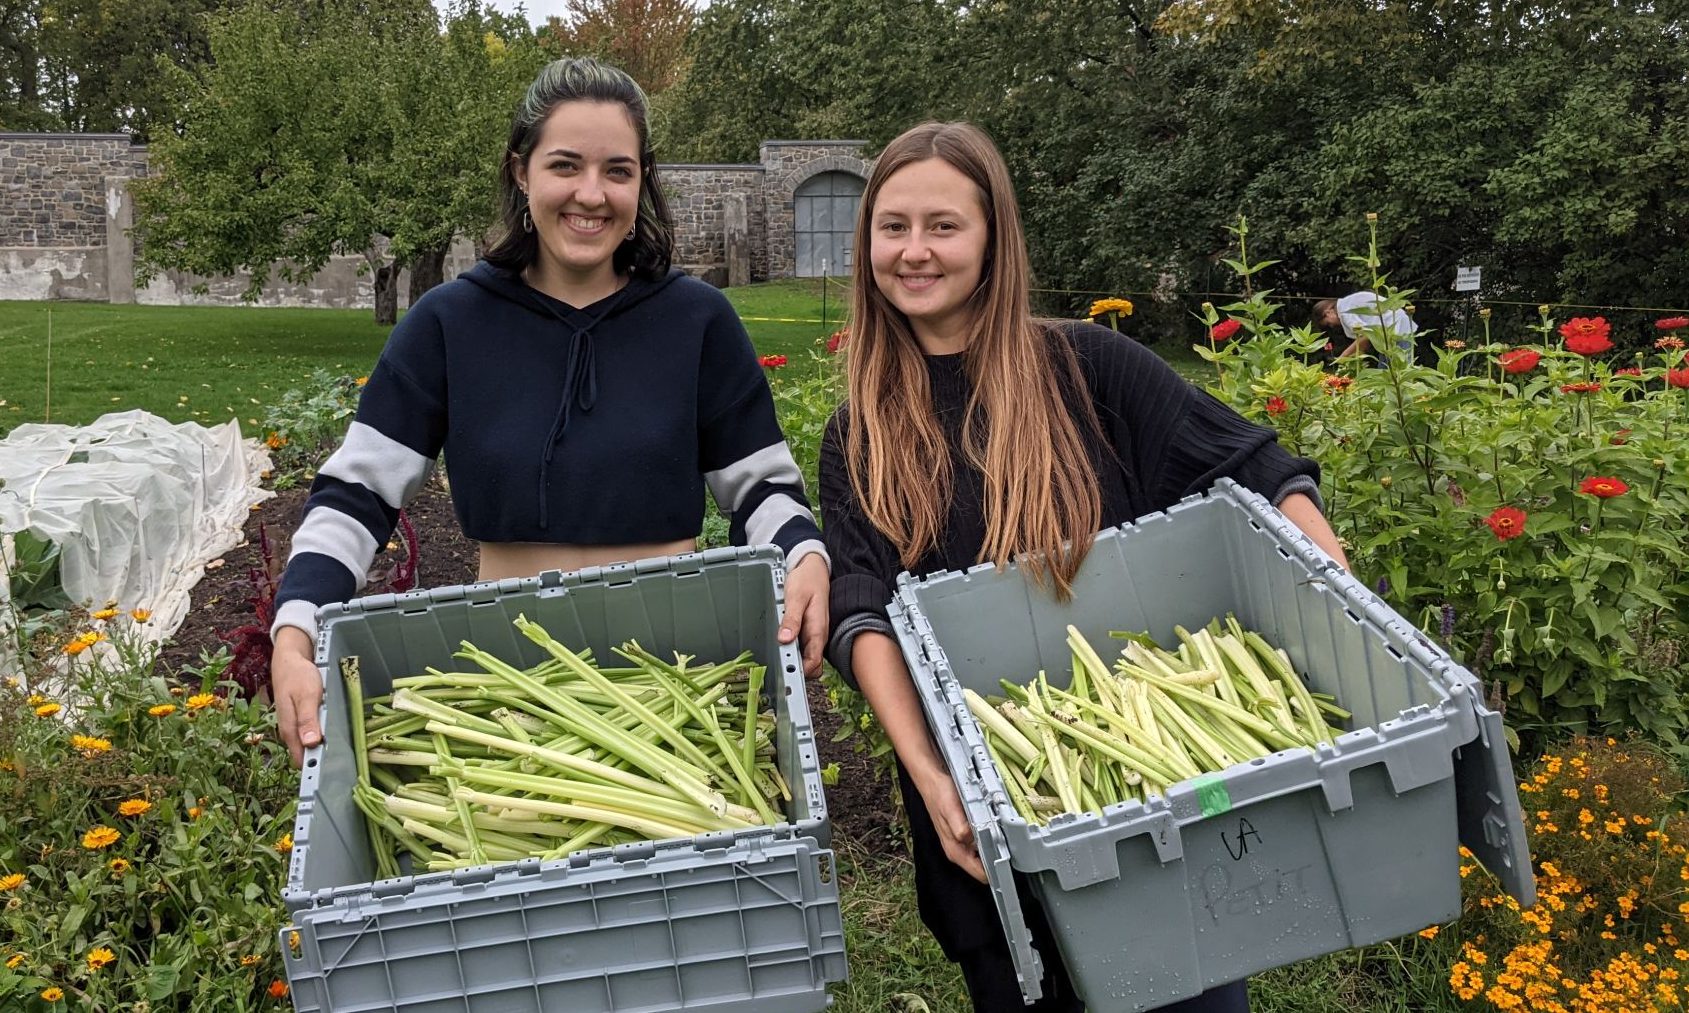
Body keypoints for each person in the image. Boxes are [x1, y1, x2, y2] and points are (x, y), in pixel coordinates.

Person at [819, 121, 1348, 1013]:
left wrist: (1344, 599)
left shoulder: (1087, 368)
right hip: (992, 798)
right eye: (892, 226)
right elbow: (859, 608)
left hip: (1156, 792)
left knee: (1188, 989)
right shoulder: (859, 432)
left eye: (943, 225)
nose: (914, 251)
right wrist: (930, 775)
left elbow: (1254, 467)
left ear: (993, 238)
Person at [268, 57, 830, 767]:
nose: (591, 194)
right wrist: (296, 627)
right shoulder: (450, 323)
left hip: (677, 678)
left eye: (618, 171)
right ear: (520, 171)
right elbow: (358, 492)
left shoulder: (697, 321)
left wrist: (804, 554)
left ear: (642, 181)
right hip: (508, 680)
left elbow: (760, 487)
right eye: (565, 165)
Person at [1313, 291, 1416, 360]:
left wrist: (1343, 356)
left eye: (1328, 323)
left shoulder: (1345, 312)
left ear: (1328, 313)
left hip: (1397, 327)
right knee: (1386, 369)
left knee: (1400, 368)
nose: (1332, 325)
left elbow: (1366, 335)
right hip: (1389, 331)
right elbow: (1365, 343)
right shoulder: (1346, 304)